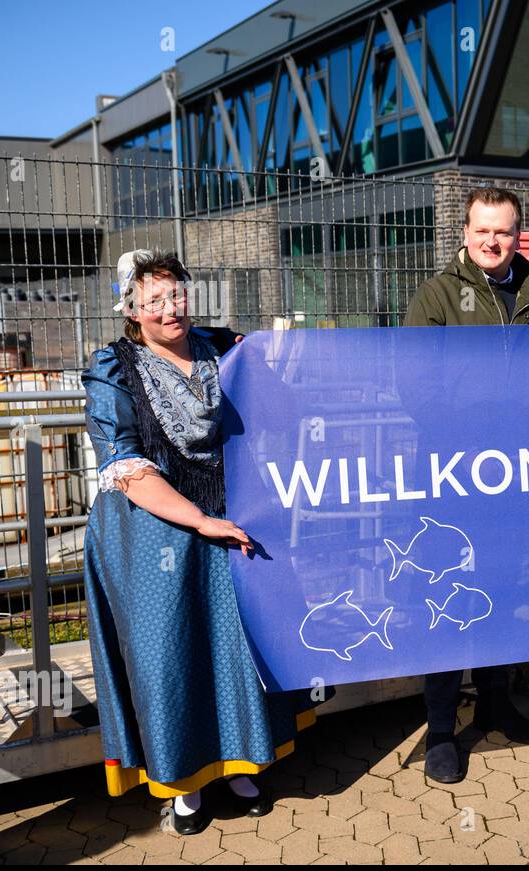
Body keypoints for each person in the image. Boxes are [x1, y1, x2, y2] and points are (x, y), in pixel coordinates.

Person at [83, 249, 321, 835]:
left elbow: (274, 401)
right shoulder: (112, 368)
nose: (170, 309)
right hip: (149, 529)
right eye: (154, 300)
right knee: (171, 652)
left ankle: (242, 765)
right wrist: (199, 519)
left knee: (238, 643)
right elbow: (128, 465)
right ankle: (184, 784)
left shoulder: (222, 347)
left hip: (225, 513)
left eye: (177, 295)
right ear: (131, 310)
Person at [403, 187, 529, 784]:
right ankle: (442, 727)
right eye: (482, 231)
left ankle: (496, 702)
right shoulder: (438, 296)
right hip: (454, 477)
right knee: (447, 595)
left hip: (520, 475)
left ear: (518, 235)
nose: (493, 242)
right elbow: (413, 385)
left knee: (508, 584)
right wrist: (474, 444)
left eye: (504, 232)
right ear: (464, 233)